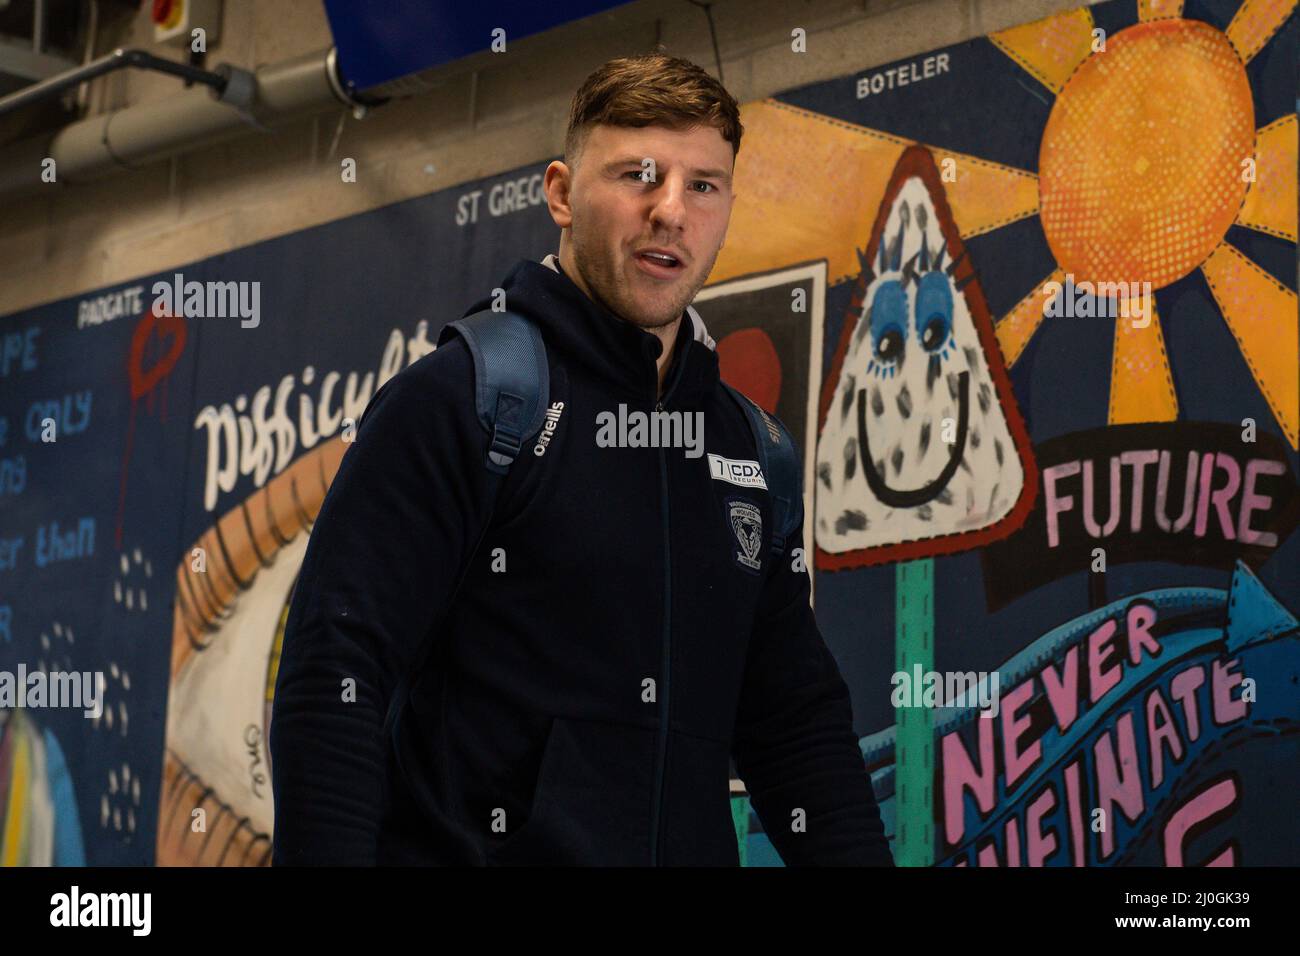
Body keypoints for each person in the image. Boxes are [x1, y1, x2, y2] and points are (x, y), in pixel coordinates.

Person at [269, 52, 893, 866]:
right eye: (639, 175)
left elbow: (795, 729)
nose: (671, 211)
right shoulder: (468, 400)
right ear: (561, 193)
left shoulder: (750, 450)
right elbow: (335, 677)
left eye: (703, 185)